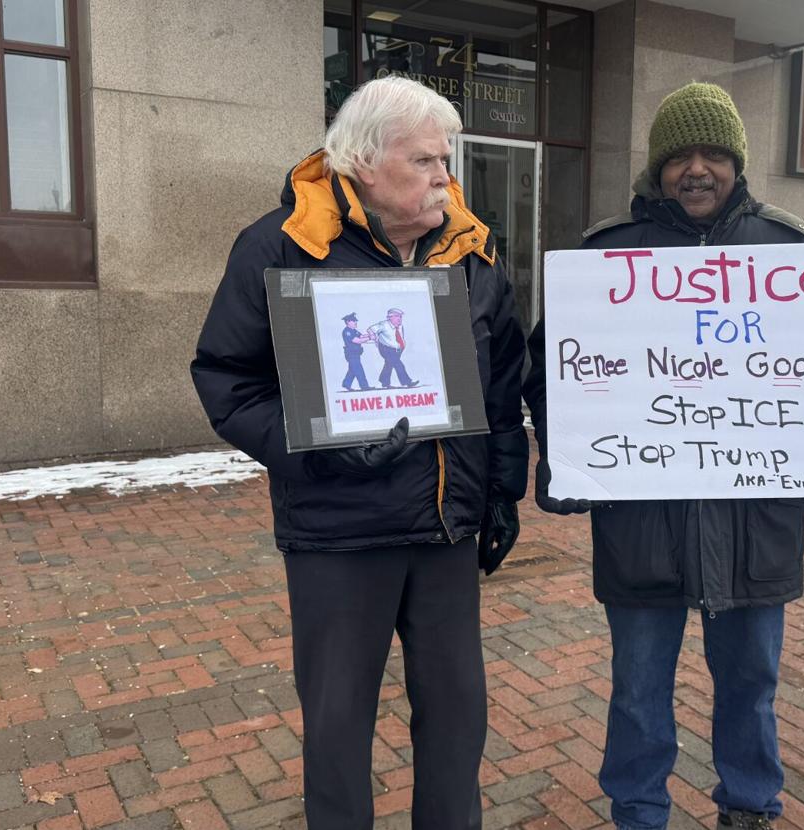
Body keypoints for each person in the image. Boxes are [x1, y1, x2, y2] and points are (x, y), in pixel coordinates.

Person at [190, 76, 527, 829]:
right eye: (427, 162)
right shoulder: (280, 245)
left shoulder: (470, 249)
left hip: (446, 528)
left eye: (447, 159)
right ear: (366, 163)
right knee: (339, 728)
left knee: (456, 717)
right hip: (338, 533)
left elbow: (503, 384)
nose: (446, 176)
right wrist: (318, 452)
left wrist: (504, 491)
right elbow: (227, 380)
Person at [526, 81, 804, 830]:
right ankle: (638, 809)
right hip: (642, 520)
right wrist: (561, 455)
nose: (695, 171)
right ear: (657, 168)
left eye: (713, 155)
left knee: (752, 679)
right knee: (638, 684)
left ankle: (751, 803)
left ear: (737, 162)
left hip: (755, 516)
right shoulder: (608, 255)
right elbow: (551, 371)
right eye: (679, 157)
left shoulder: (791, 252)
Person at [368, 306, 417, 388]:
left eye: (400, 316)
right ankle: (407, 382)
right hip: (386, 348)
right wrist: (373, 336)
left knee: (389, 364)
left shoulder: (400, 326)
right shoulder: (383, 325)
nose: (399, 319)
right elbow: (371, 329)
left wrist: (402, 346)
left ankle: (384, 381)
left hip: (397, 350)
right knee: (398, 364)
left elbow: (400, 337)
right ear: (390, 317)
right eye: (397, 316)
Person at [340, 312, 371, 391]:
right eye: (353, 321)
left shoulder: (354, 331)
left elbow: (361, 336)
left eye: (355, 321)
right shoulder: (347, 331)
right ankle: (364, 386)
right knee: (358, 369)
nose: (355, 322)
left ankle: (346, 384)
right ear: (348, 322)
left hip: (356, 354)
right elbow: (357, 340)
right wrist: (370, 338)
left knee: (352, 370)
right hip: (351, 354)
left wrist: (371, 335)